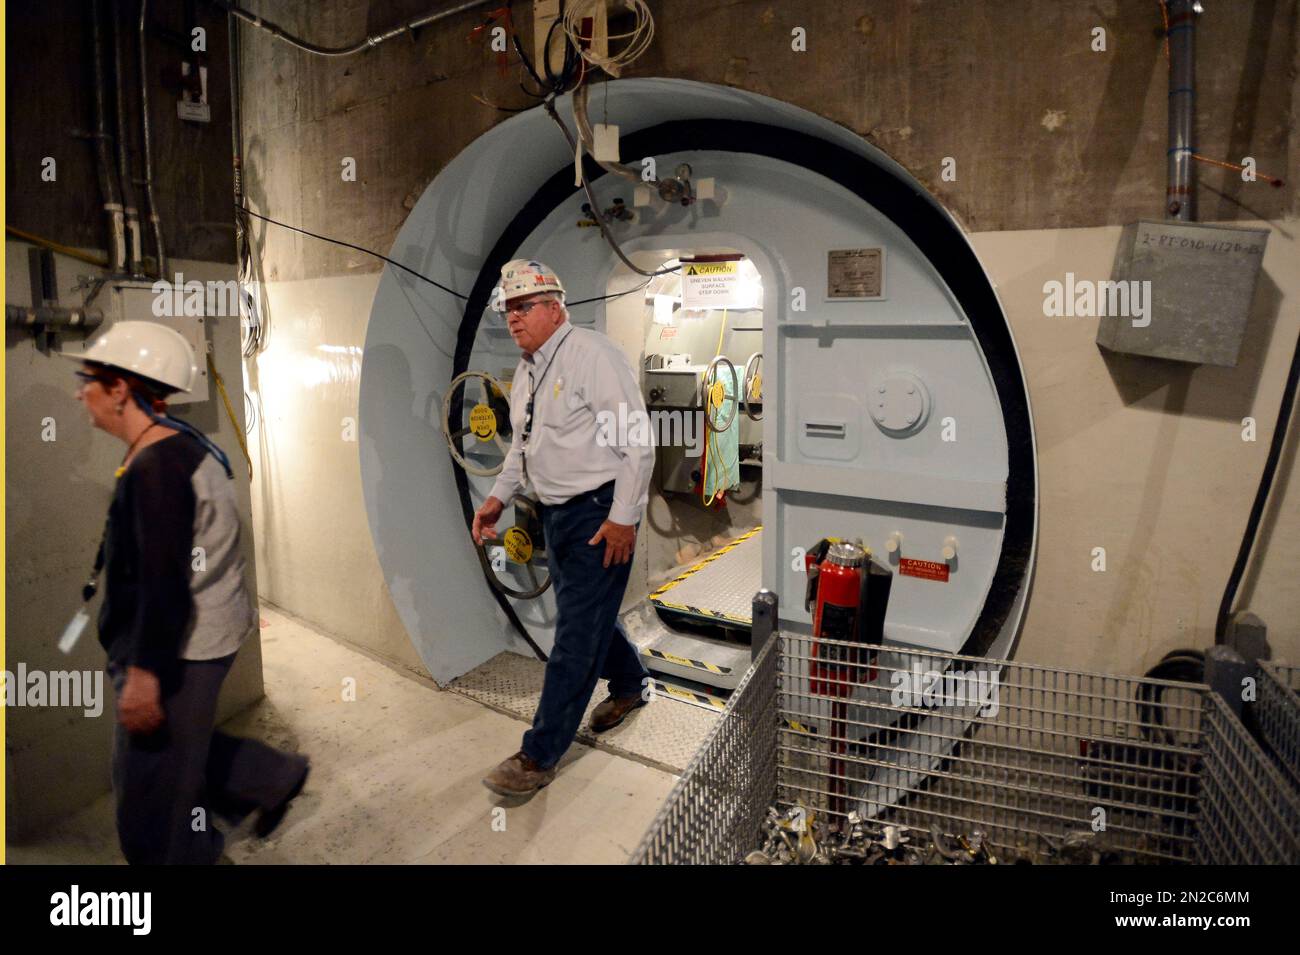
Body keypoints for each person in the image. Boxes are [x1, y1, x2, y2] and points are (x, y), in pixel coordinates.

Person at [63, 321, 309, 864]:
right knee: (177, 753)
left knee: (151, 811)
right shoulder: (181, 447)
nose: (81, 392)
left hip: (180, 652)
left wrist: (145, 677)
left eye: (90, 379)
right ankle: (269, 777)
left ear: (121, 389)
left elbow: (164, 586)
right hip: (197, 640)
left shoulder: (158, 470)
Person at [474, 259, 655, 797]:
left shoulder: (591, 356)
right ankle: (629, 684)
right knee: (589, 614)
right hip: (555, 514)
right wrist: (495, 499)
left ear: (556, 308)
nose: (513, 318)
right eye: (508, 309)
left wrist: (622, 518)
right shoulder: (528, 368)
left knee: (574, 635)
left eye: (524, 306)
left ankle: (538, 754)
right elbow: (523, 448)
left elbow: (638, 445)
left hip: (599, 514)